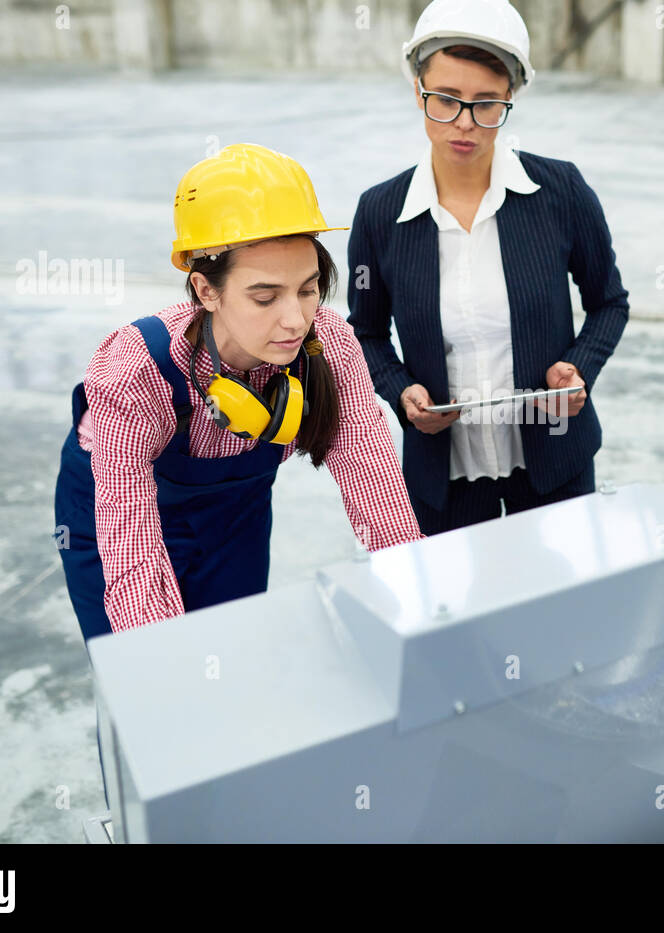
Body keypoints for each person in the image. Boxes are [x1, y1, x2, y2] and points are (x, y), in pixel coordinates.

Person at [55, 143, 422, 641]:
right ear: (207, 291)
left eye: (309, 289)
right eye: (265, 296)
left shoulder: (330, 344)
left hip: (236, 516)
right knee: (144, 689)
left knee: (232, 658)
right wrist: (157, 662)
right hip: (113, 517)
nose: (296, 320)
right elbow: (132, 547)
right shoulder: (137, 370)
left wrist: (418, 595)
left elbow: (373, 480)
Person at [347, 0, 630, 536]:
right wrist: (402, 391)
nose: (465, 123)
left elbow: (608, 303)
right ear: (418, 91)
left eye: (487, 104)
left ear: (510, 101)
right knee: (456, 614)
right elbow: (367, 333)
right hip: (442, 477)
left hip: (553, 465)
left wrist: (578, 370)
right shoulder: (380, 212)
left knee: (558, 611)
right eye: (446, 98)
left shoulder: (560, 191)